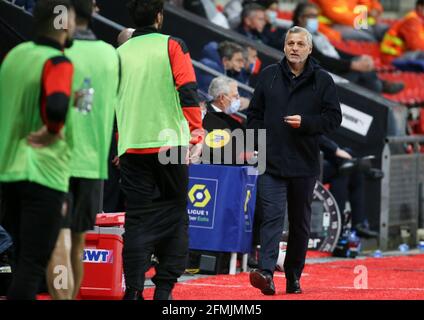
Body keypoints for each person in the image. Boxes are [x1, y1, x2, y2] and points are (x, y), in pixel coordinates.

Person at [116, 0, 204, 300]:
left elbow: (114, 103)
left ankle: (134, 291)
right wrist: (197, 131)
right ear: (159, 16)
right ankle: (164, 289)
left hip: (131, 146)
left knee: (137, 219)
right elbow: (188, 89)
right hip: (170, 146)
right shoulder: (173, 45)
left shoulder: (119, 53)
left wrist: (119, 141)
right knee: (177, 214)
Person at [247, 26, 342, 295]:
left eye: (301, 43)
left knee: (300, 224)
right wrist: (258, 142)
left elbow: (334, 119)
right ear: (284, 46)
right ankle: (266, 272)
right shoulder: (269, 75)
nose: (295, 48)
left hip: (304, 163)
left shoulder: (323, 80)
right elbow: (253, 114)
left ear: (310, 49)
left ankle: (293, 276)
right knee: (271, 219)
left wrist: (307, 123)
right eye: (290, 43)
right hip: (272, 161)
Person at [0, 0, 76, 300]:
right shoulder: (57, 60)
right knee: (33, 264)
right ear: (62, 23)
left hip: (8, 171)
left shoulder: (14, 56)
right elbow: (57, 106)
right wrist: (52, 130)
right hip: (42, 172)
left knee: (20, 258)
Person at [46, 0, 120, 300]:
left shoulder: (56, 52)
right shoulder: (110, 55)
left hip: (55, 160)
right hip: (93, 161)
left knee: (57, 240)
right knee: (79, 241)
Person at [293, 2, 404, 94]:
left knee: (364, 67)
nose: (315, 19)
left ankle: (381, 90)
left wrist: (358, 58)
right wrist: (352, 65)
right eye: (311, 16)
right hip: (326, 76)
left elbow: (336, 52)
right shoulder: (298, 37)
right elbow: (320, 59)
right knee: (364, 76)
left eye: (316, 16)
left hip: (337, 70)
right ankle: (381, 88)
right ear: (300, 18)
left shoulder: (318, 35)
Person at [319, 136, 379, 238]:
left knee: (346, 166)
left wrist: (336, 151)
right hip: (299, 166)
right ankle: (355, 223)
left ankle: (339, 227)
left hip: (317, 158)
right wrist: (336, 150)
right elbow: (316, 136)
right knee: (346, 168)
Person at [311, 0, 388, 42]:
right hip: (332, 26)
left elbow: (366, 3)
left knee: (384, 30)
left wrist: (374, 9)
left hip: (357, 22)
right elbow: (338, 15)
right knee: (369, 38)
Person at [380, 0, 424, 64]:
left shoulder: (420, 21)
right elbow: (416, 46)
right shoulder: (412, 20)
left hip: (401, 55)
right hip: (393, 56)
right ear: (420, 7)